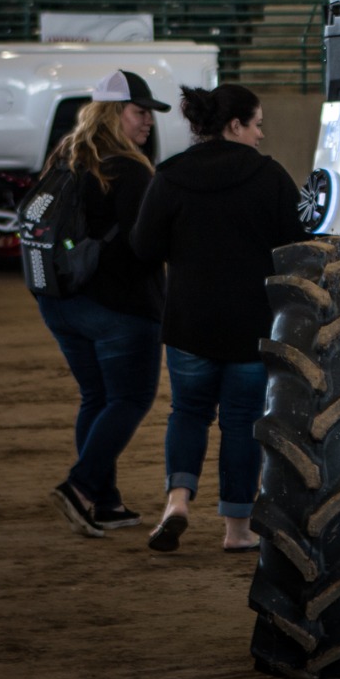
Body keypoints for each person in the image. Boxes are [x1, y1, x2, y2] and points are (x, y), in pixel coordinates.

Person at [131, 84, 308, 553]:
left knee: (187, 412)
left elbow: (143, 248)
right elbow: (295, 245)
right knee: (241, 421)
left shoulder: (169, 175)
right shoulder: (269, 177)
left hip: (189, 320)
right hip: (250, 324)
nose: (261, 134)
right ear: (235, 126)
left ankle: (177, 501)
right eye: (256, 124)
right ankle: (236, 528)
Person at [37, 70, 168, 539]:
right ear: (115, 113)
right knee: (130, 398)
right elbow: (142, 245)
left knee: (97, 398)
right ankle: (81, 486)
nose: (148, 122)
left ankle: (105, 502)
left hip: (62, 301)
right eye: (140, 112)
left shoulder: (65, 157)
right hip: (119, 309)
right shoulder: (129, 169)